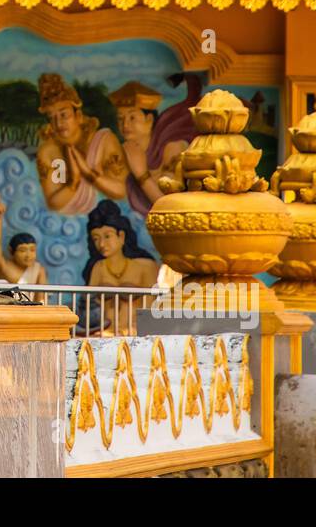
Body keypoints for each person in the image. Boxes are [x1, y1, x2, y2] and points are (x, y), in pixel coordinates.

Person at [35, 73, 128, 215]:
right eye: (52, 118)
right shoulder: (48, 152)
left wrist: (89, 174)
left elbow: (121, 190)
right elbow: (53, 203)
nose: (58, 123)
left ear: (78, 116)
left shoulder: (103, 141)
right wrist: (74, 182)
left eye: (63, 115)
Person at [109, 75, 199, 218]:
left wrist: (142, 175)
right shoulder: (124, 150)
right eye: (120, 118)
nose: (125, 125)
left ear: (149, 120)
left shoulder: (171, 148)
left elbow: (169, 207)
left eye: (132, 118)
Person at [83, 200, 160, 334]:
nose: (101, 244)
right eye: (96, 238)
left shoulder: (146, 266)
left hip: (136, 332)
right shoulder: (98, 267)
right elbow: (90, 306)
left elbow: (152, 305)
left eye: (107, 236)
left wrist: (135, 329)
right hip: (104, 332)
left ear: (122, 236)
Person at [0, 194, 47, 284]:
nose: (28, 255)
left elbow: (41, 297)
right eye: (22, 250)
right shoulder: (5, 267)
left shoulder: (38, 270)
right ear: (12, 251)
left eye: (32, 250)